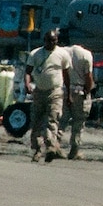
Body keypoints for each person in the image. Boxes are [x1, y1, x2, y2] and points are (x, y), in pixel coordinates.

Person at [26, 30, 68, 163]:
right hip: (39, 92)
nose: (51, 43)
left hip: (55, 92)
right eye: (49, 40)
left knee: (53, 119)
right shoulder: (35, 54)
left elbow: (66, 74)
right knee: (37, 120)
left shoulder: (62, 54)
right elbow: (28, 71)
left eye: (54, 40)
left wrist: (69, 92)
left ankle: (50, 147)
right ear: (44, 41)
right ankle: (37, 150)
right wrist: (27, 84)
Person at [61, 34, 94, 160]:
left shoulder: (63, 52)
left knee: (61, 120)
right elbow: (88, 76)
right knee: (78, 123)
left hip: (64, 89)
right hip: (80, 90)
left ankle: (54, 146)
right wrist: (88, 90)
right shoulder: (86, 55)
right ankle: (74, 150)